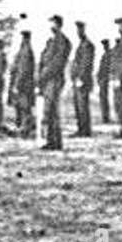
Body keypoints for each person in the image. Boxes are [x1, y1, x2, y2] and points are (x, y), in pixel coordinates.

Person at [38, 14, 71, 150]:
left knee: (51, 110)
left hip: (54, 79)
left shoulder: (62, 41)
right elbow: (43, 60)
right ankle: (52, 141)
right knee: (49, 111)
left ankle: (55, 142)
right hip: (47, 80)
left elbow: (56, 64)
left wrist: (43, 75)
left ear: (58, 25)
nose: (50, 26)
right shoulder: (50, 42)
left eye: (53, 23)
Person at [8, 30, 36, 138]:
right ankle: (22, 128)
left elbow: (23, 69)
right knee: (20, 107)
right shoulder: (24, 50)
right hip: (22, 83)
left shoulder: (26, 51)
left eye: (23, 38)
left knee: (24, 108)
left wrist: (17, 84)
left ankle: (25, 130)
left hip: (23, 85)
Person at [70, 21, 95, 137]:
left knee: (82, 106)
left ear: (83, 30)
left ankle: (85, 130)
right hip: (77, 80)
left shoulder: (88, 45)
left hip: (82, 81)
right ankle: (81, 129)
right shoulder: (81, 45)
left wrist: (81, 78)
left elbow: (86, 64)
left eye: (80, 30)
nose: (78, 32)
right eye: (77, 30)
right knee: (78, 106)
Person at [97, 39, 113, 125]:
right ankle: (105, 117)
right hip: (102, 79)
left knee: (104, 98)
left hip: (105, 79)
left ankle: (106, 117)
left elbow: (109, 68)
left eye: (105, 45)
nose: (104, 47)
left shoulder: (109, 55)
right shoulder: (105, 55)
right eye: (103, 45)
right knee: (102, 98)